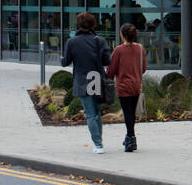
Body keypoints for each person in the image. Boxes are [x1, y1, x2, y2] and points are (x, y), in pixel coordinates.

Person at [61, 11, 112, 153]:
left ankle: (98, 144)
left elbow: (66, 62)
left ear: (78, 24)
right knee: (97, 112)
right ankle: (99, 142)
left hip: (82, 79)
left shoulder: (72, 42)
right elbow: (107, 61)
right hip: (96, 77)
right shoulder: (99, 40)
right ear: (93, 24)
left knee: (90, 113)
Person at [107, 23, 147, 152]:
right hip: (136, 85)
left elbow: (111, 70)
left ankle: (131, 138)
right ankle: (129, 137)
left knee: (128, 113)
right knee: (131, 113)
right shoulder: (140, 49)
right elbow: (143, 68)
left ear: (122, 35)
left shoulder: (118, 50)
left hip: (123, 86)